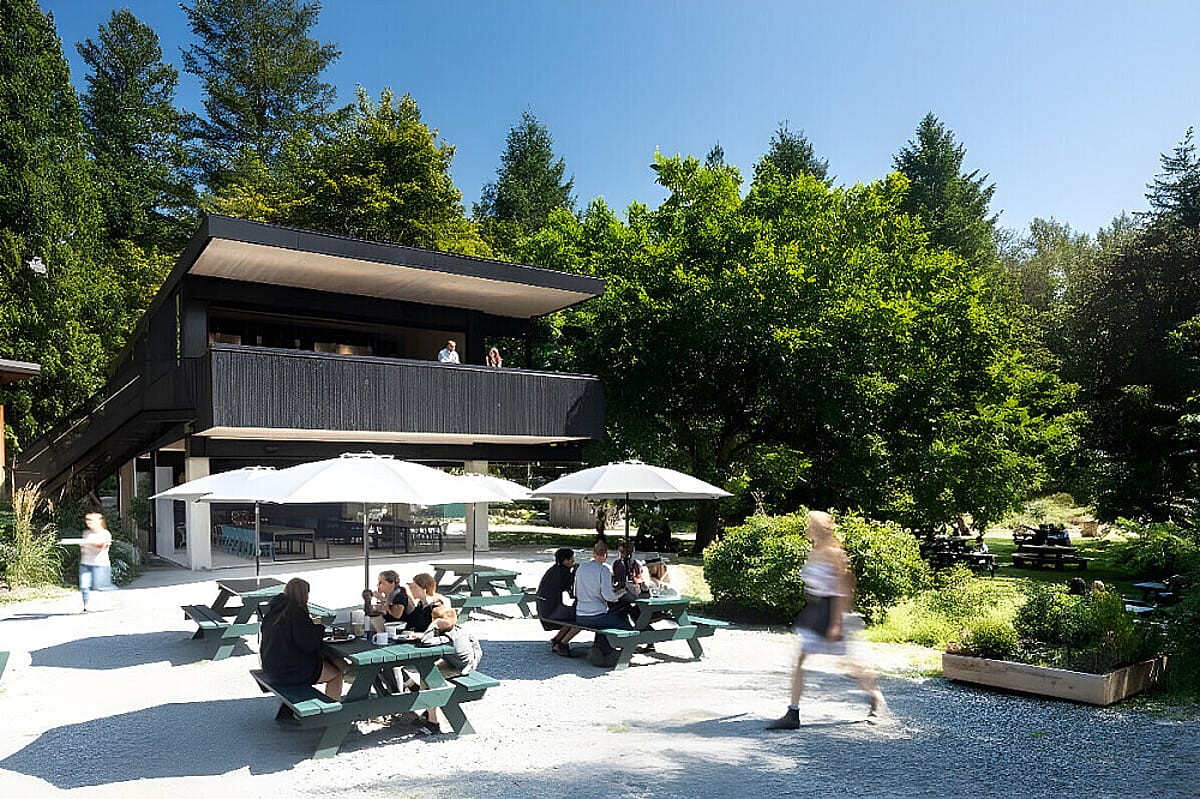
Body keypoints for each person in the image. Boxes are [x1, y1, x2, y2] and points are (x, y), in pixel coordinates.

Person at [767, 511, 887, 730]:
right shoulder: (814, 551)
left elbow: (844, 590)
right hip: (816, 609)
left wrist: (836, 622)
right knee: (799, 660)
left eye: (810, 524)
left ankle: (876, 698)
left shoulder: (835, 554)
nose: (807, 528)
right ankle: (793, 713)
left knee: (848, 665)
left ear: (819, 527)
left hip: (832, 611)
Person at [260, 577, 344, 700]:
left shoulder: (274, 610)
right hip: (290, 671)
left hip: (270, 667)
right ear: (304, 595)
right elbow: (309, 644)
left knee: (334, 662)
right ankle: (331, 714)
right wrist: (319, 629)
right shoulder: (296, 612)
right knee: (336, 674)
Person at [574, 540, 632, 667]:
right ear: (605, 554)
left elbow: (576, 592)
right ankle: (619, 653)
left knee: (609, 621)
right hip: (596, 616)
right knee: (625, 624)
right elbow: (609, 597)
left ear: (593, 553)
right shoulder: (603, 570)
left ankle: (599, 650)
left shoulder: (582, 567)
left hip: (580, 615)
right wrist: (621, 593)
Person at [537, 548, 580, 656]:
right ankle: (561, 643)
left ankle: (557, 639)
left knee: (574, 614)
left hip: (545, 609)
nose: (573, 561)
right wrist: (575, 571)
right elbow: (571, 589)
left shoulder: (554, 569)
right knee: (581, 616)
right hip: (552, 611)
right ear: (565, 561)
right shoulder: (563, 572)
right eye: (571, 559)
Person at [79, 511, 114, 612]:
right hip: (85, 563)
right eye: (87, 520)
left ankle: (109, 599)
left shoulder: (105, 534)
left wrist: (91, 543)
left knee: (100, 586)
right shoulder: (86, 533)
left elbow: (102, 547)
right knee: (84, 585)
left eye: (91, 520)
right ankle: (86, 605)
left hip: (100, 564)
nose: (88, 522)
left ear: (99, 521)